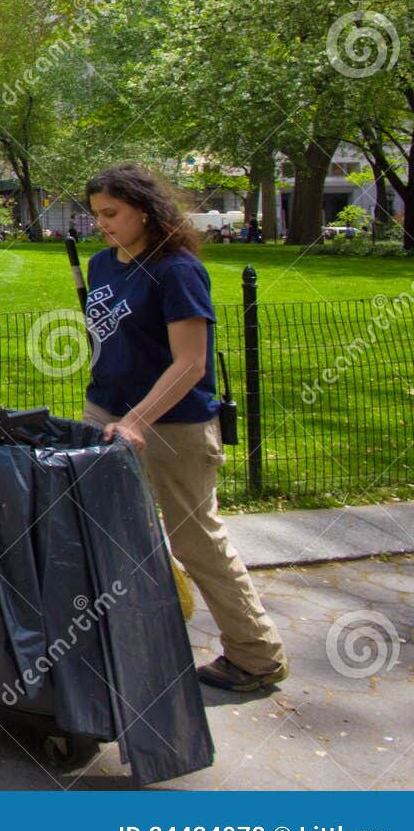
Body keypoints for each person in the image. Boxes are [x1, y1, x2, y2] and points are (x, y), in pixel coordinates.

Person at [82, 164, 287, 691]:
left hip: (171, 427)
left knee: (195, 542)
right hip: (106, 415)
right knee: (100, 534)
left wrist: (136, 420)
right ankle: (121, 642)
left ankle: (255, 655)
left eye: (111, 214)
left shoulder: (177, 271)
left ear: (144, 211)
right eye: (95, 215)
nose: (100, 224)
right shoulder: (102, 264)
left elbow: (191, 363)